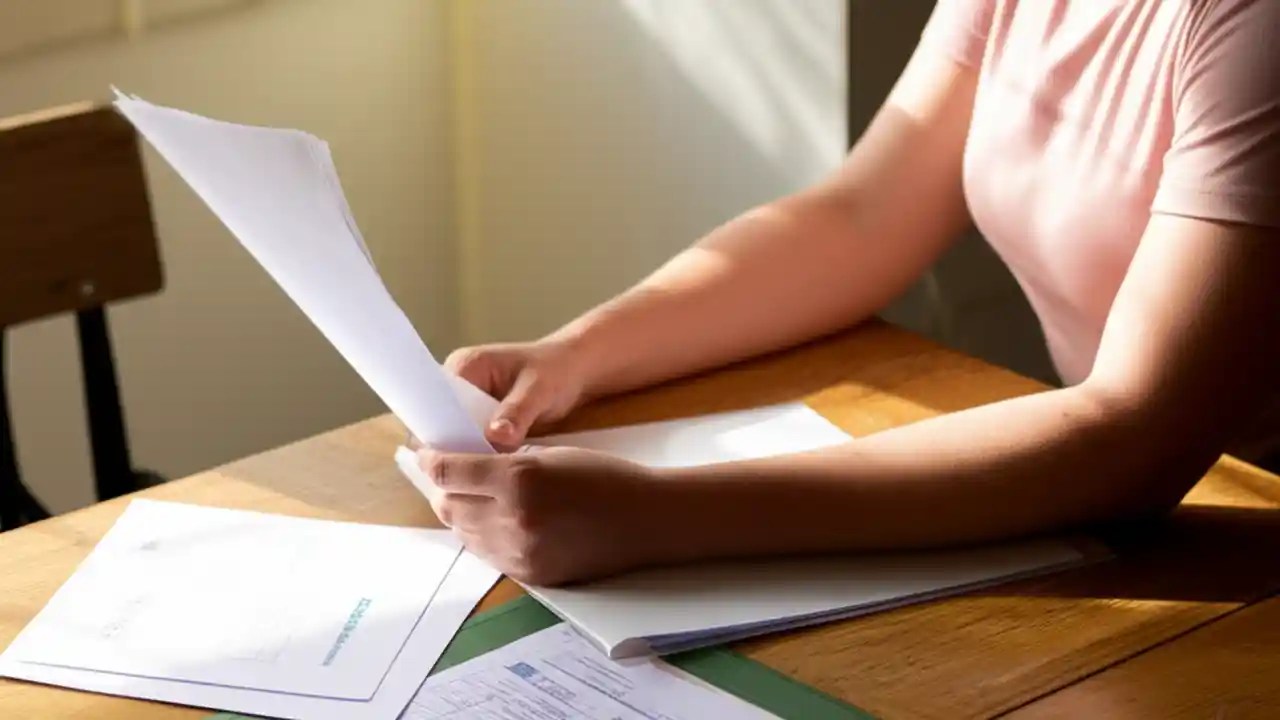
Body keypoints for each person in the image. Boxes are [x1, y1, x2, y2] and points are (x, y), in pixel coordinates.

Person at [417, 0, 1279, 586]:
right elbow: (862, 217)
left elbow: (1138, 430)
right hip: (1142, 525)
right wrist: (576, 357)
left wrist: (655, 517)